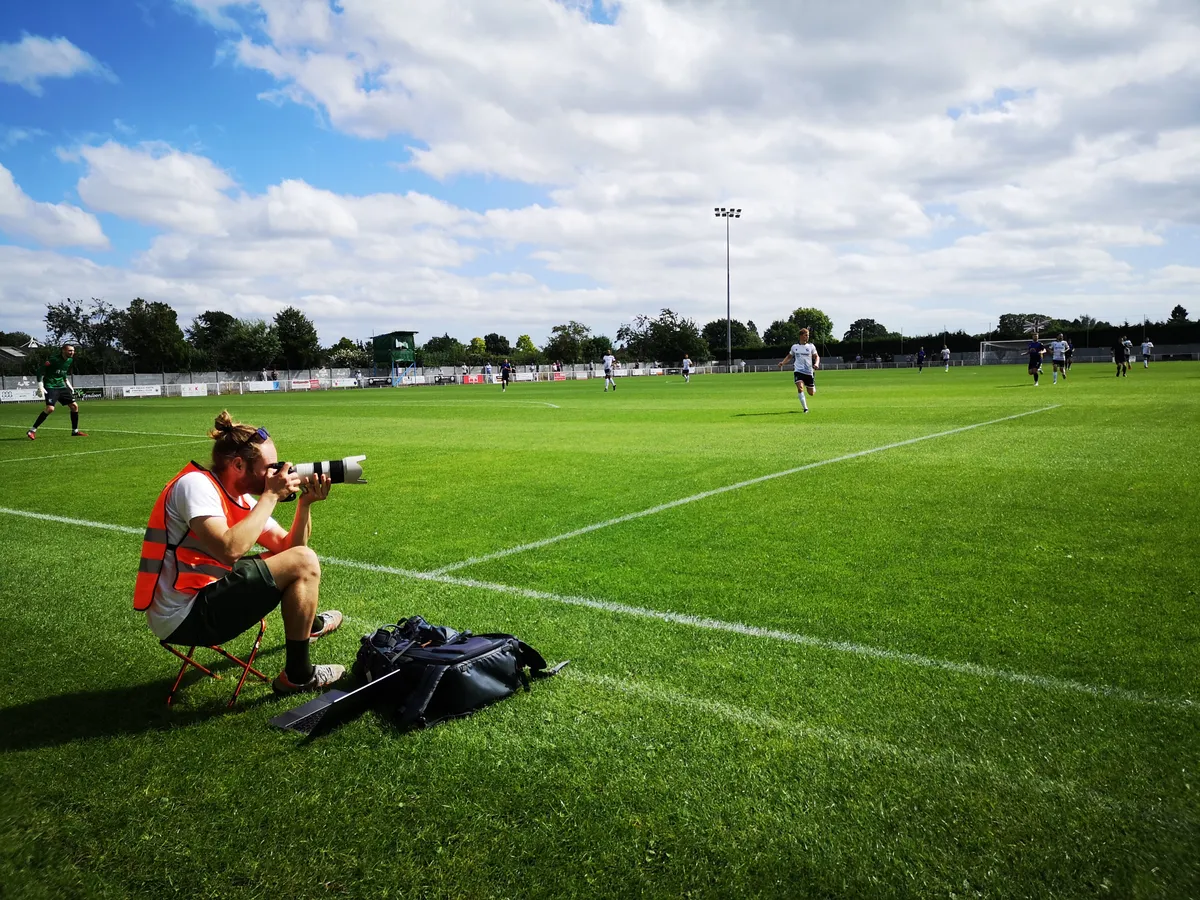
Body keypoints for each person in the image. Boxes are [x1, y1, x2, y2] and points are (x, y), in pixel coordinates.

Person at [133, 411, 345, 694]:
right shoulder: (195, 486)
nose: (277, 473)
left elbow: (291, 548)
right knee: (304, 562)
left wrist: (304, 504)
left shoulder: (239, 498)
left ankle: (312, 625)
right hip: (184, 615)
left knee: (299, 560)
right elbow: (229, 550)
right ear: (237, 464)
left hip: (202, 597)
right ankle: (299, 676)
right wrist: (270, 496)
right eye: (270, 467)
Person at [27, 343, 87, 440]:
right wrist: (40, 385)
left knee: (74, 406)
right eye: (70, 350)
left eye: (73, 350)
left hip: (61, 386)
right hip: (51, 386)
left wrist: (68, 385)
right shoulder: (53, 360)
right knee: (50, 409)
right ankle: (32, 430)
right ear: (63, 351)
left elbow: (63, 373)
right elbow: (39, 371)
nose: (72, 352)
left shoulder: (70, 360)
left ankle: (75, 431)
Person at [777, 327, 820, 413]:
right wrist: (783, 363)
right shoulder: (795, 347)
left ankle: (813, 384)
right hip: (798, 371)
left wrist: (816, 364)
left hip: (809, 371)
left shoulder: (811, 346)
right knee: (800, 388)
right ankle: (805, 408)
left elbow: (817, 356)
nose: (807, 337)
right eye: (806, 335)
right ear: (801, 336)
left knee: (811, 393)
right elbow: (789, 356)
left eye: (808, 335)